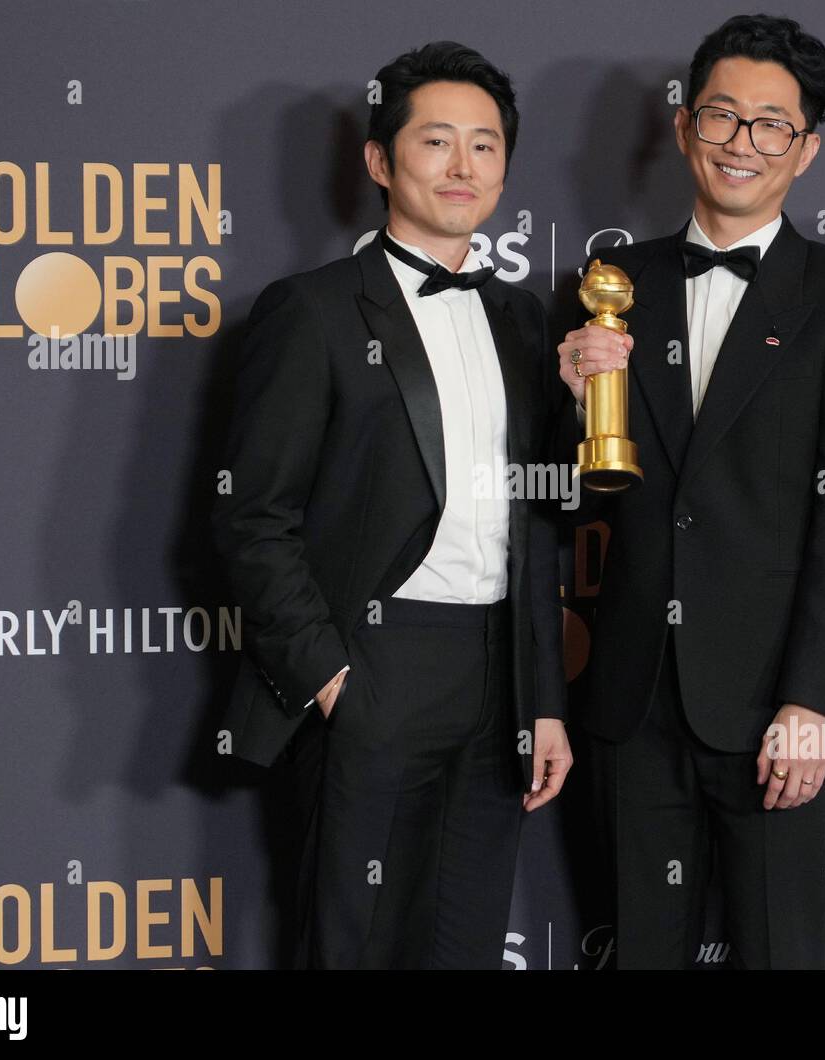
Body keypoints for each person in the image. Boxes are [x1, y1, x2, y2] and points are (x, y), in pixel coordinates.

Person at [211, 41, 571, 969]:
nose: (463, 167)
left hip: (497, 677)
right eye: (437, 142)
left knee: (465, 937)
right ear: (380, 161)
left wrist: (544, 700)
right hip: (374, 659)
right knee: (355, 942)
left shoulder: (525, 318)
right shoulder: (314, 311)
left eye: (485, 147)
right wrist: (332, 677)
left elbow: (537, 522)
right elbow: (252, 517)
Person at [554, 14, 825, 968]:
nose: (742, 144)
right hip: (631, 705)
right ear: (682, 128)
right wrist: (567, 398)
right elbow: (563, 494)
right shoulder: (611, 285)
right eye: (722, 118)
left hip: (773, 709)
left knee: (779, 952)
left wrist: (809, 702)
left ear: (807, 148)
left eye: (771, 125)